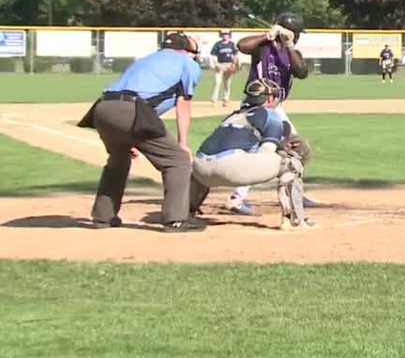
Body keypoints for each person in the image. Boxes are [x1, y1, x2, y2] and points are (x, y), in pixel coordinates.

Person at [78, 32, 206, 232]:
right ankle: (176, 219)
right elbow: (184, 103)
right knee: (177, 160)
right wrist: (183, 143)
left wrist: (129, 136)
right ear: (187, 51)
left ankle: (103, 217)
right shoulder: (188, 64)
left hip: (102, 108)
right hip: (132, 110)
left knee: (118, 160)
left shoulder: (146, 60)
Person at [189, 79, 315, 230]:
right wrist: (283, 148)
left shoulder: (233, 115)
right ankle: (295, 220)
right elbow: (265, 152)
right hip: (230, 168)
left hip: (200, 170)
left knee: (204, 162)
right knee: (291, 163)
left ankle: (187, 212)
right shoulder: (270, 114)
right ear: (269, 99)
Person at [223, 13, 311, 215]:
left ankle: (293, 192)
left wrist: (288, 45)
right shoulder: (263, 47)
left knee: (292, 148)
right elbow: (242, 45)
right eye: (297, 33)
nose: (297, 37)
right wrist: (267, 35)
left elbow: (302, 72)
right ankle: (238, 197)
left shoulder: (292, 52)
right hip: (258, 104)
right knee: (273, 150)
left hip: (275, 107)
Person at [210, 29, 240, 107]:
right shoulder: (218, 44)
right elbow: (213, 55)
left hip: (229, 65)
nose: (225, 35)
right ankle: (214, 100)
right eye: (224, 34)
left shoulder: (232, 44)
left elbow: (236, 55)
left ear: (229, 35)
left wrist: (234, 64)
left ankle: (225, 99)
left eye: (227, 34)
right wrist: (216, 64)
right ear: (221, 35)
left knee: (227, 84)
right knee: (217, 82)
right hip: (220, 65)